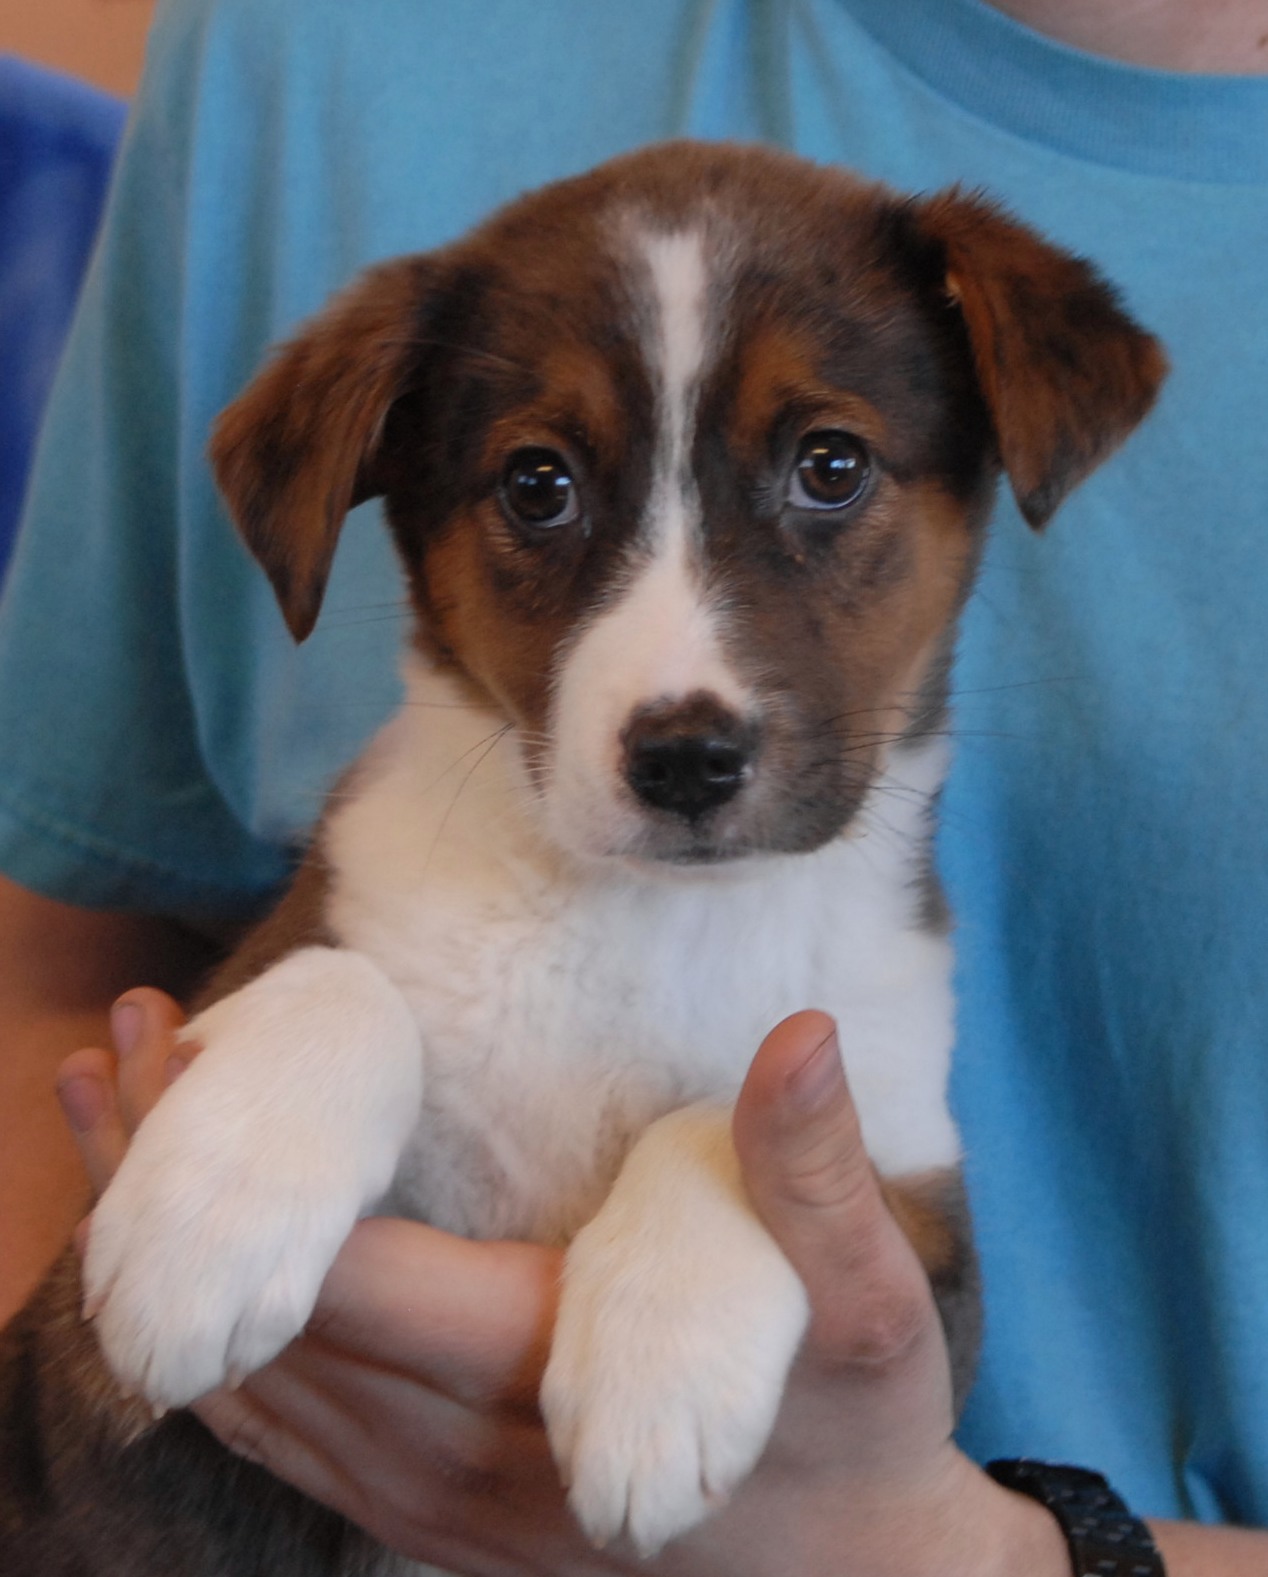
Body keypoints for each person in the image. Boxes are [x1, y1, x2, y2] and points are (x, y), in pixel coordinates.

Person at [2, 0, 1267, 1570]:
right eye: (541, 487)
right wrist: (315, 1032)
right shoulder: (304, 48)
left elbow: (908, 1286)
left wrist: (964, 1540)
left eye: (828, 467)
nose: (684, 679)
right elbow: (62, 994)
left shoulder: (872, 984)